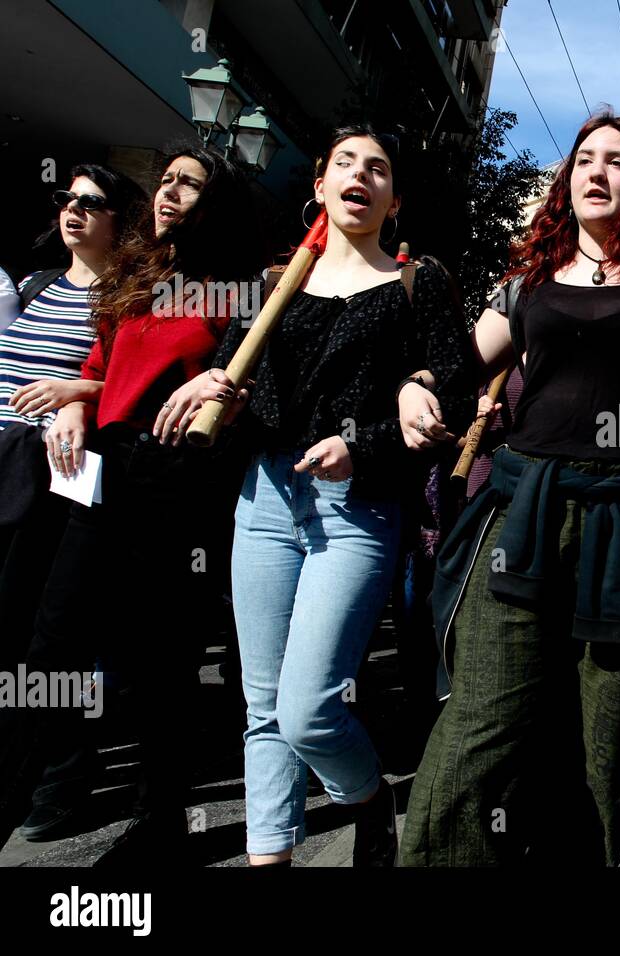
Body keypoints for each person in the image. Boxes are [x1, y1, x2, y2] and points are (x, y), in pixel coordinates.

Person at [399, 112, 620, 866]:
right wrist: (416, 390)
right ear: (567, 179)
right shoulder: (527, 283)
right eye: (585, 159)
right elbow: (456, 375)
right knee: (480, 721)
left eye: (619, 161)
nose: (597, 172)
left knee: (608, 743)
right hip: (523, 514)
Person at [163, 125, 477, 867]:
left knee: (309, 708)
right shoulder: (273, 284)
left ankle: (369, 800)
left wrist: (370, 437)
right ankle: (269, 856)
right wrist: (216, 388)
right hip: (264, 498)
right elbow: (237, 384)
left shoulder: (417, 282)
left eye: (377, 169)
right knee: (262, 707)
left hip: (357, 509)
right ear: (320, 187)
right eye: (345, 163)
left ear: (394, 200)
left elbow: (457, 389)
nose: (359, 175)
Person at [2, 145, 266, 866]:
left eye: (190, 184)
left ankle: (160, 817)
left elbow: (251, 392)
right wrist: (75, 405)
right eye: (167, 181)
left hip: (180, 487)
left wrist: (223, 385)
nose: (169, 193)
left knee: (161, 663)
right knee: (47, 648)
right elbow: (99, 371)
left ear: (220, 202)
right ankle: (20, 790)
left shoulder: (242, 291)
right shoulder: (138, 274)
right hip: (104, 471)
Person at [0, 164, 146, 842]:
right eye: (68, 199)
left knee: (55, 641)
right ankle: (34, 763)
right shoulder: (32, 285)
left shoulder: (125, 300)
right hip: (6, 471)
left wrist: (76, 394)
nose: (74, 211)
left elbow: (124, 384)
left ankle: (64, 772)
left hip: (63, 482)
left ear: (120, 220)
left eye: (93, 202)